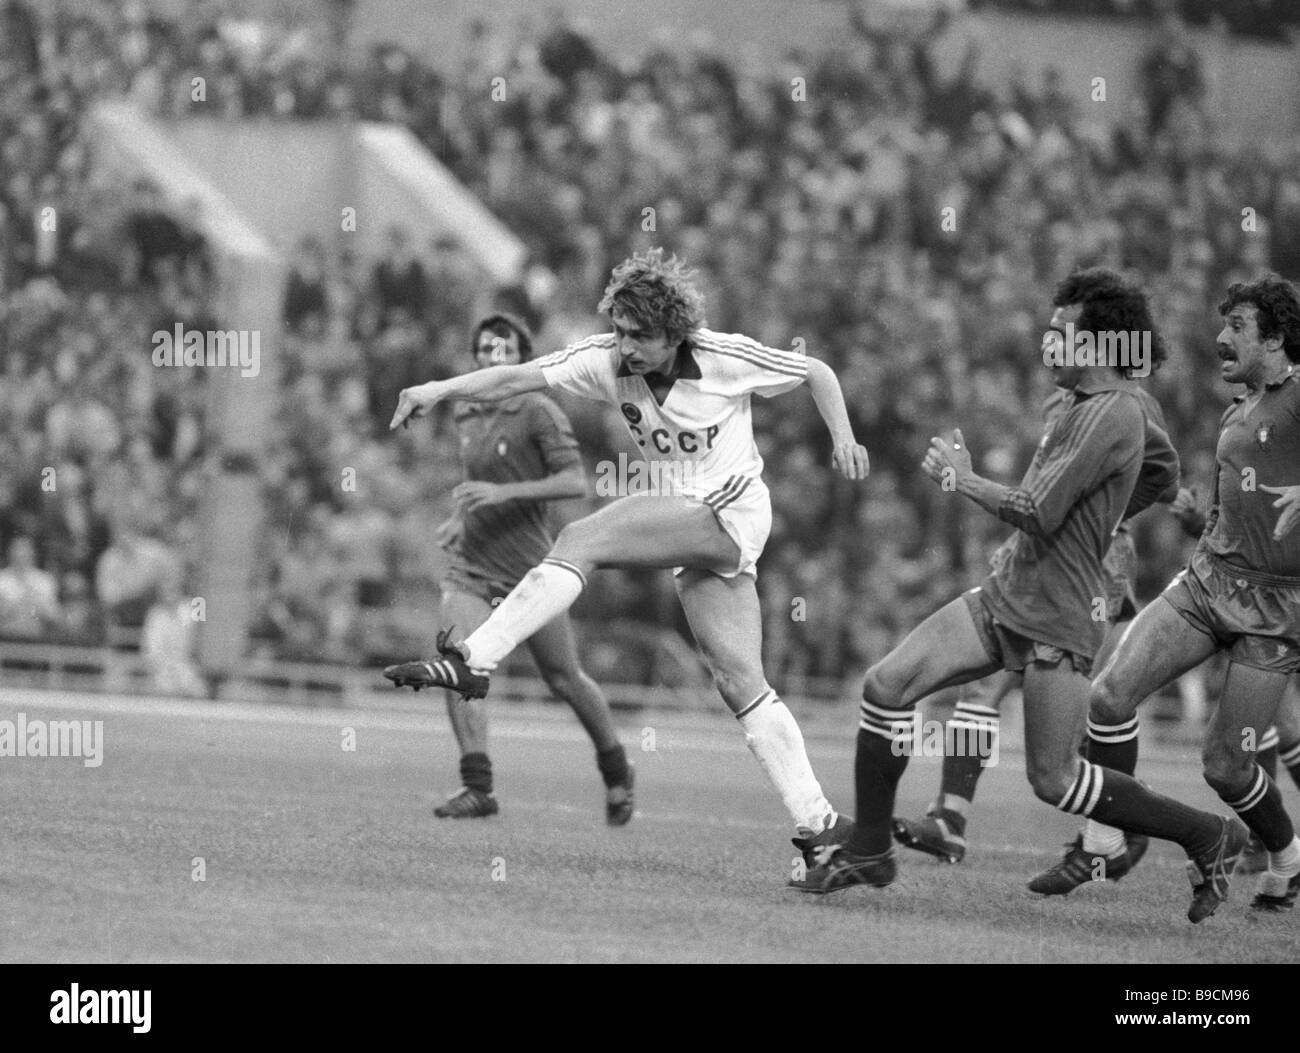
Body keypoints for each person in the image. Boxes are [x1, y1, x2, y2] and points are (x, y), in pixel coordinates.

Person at [385, 248, 869, 871]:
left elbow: (818, 371)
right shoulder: (604, 360)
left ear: (676, 333)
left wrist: (844, 437)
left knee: (583, 539)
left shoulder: (723, 356)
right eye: (621, 331)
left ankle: (474, 659)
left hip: (730, 510)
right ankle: (822, 826)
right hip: (691, 524)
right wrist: (438, 388)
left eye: (642, 336)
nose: (628, 346)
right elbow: (515, 376)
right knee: (740, 683)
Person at [804, 268, 1253, 924]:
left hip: (1058, 614)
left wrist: (965, 480)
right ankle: (871, 847)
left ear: (1098, 345)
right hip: (1007, 592)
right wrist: (1112, 513)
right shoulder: (1079, 405)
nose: (1047, 345)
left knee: (1056, 779)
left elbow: (1039, 511)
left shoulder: (1118, 412)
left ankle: (1209, 833)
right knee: (886, 684)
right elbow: (1161, 472)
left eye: (1059, 334)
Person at [1039, 276, 1300, 913]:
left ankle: (1288, 861)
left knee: (1226, 767)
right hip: (1209, 582)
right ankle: (1104, 841)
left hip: (1275, 610)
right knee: (1108, 695)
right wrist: (1200, 521)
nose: (1221, 337)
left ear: (1275, 337)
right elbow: (1245, 499)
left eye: (1238, 325)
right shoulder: (1240, 406)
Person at [893, 373, 1179, 868]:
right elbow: (1041, 492)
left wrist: (1109, 517)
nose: (1053, 352)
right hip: (1035, 557)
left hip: (1094, 562)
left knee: (1080, 720)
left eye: (1064, 338)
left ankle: (1124, 826)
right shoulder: (1058, 402)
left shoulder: (1129, 406)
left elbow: (1163, 477)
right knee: (982, 691)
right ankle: (950, 820)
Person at [424, 313, 635, 824]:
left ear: (523, 359)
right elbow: (479, 479)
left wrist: (504, 494)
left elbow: (574, 482)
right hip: (470, 568)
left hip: (529, 572)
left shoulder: (539, 411)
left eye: (505, 350)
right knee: (461, 661)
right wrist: (461, 514)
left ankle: (615, 765)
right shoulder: (466, 414)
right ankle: (478, 786)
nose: (493, 359)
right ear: (474, 358)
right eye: (484, 350)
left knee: (564, 678)